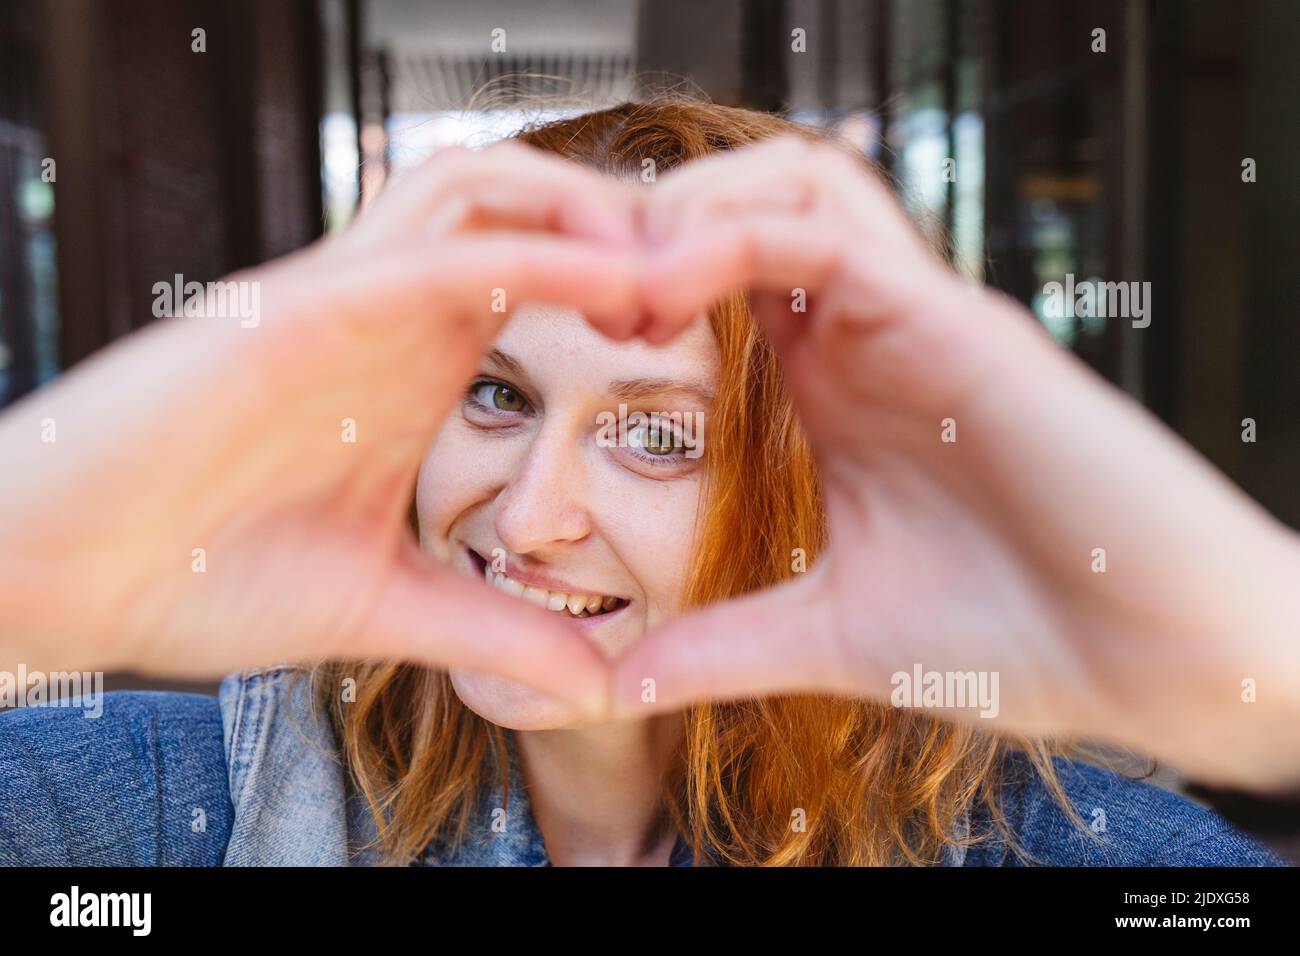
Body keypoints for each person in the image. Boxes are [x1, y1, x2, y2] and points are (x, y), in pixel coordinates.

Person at [0, 99, 1294, 865]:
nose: (525, 517)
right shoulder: (208, 792)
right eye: (497, 394)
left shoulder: (1014, 843)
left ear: (813, 494)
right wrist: (30, 566)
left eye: (660, 435)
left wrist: (1263, 672)